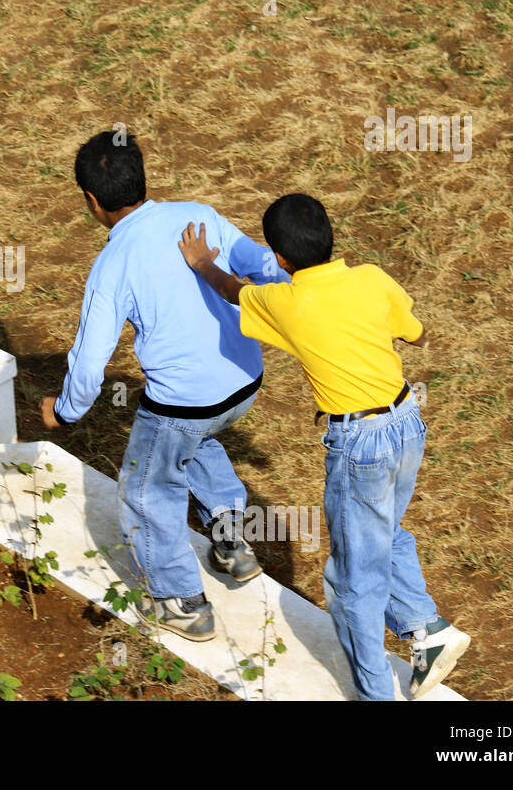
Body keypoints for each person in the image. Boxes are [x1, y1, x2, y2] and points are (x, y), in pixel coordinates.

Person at [178, 192, 469, 699]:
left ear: (284, 260)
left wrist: (201, 260)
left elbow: (232, 289)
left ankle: (376, 694)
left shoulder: (283, 301)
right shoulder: (372, 277)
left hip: (360, 445)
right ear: (331, 239)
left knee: (351, 582)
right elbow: (417, 334)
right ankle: (428, 633)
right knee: (385, 531)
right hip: (407, 423)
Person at [40, 130, 290, 642]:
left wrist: (65, 412)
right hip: (244, 384)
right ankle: (231, 545)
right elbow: (265, 266)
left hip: (187, 403)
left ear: (92, 201)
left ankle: (182, 602)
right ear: (142, 178)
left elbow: (89, 361)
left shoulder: (112, 264)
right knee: (193, 441)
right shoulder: (199, 215)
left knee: (147, 489)